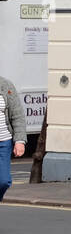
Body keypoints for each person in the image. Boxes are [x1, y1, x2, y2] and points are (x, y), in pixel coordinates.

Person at [0, 72, 28, 202]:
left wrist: (20, 141)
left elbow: (17, 116)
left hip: (3, 143)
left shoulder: (6, 85)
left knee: (4, 181)